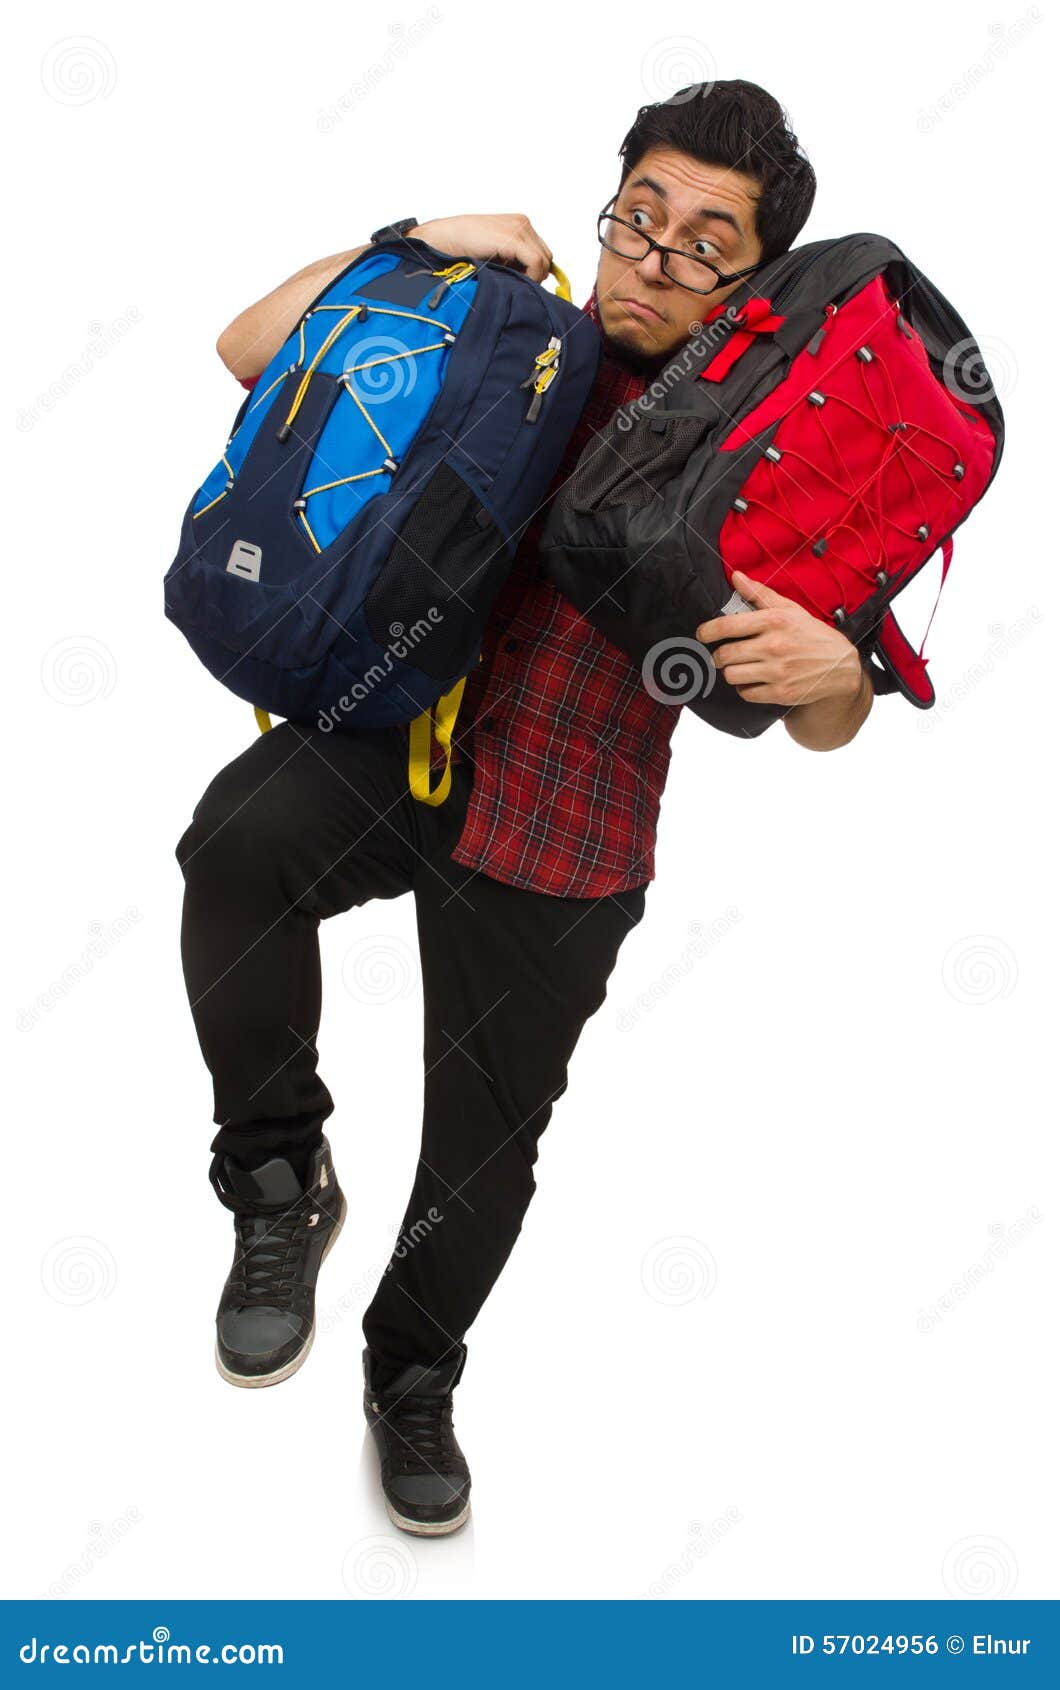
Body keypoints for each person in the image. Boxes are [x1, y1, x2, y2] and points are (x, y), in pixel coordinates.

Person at [175, 80, 875, 1538]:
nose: (657, 259)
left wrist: (841, 663)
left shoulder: (772, 440)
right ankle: (277, 1173)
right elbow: (249, 350)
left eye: (706, 243)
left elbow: (820, 719)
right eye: (642, 217)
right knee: (237, 843)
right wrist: (402, 242)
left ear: (754, 281)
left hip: (569, 827)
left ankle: (411, 1364)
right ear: (607, 209)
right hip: (400, 738)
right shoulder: (504, 332)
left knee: (480, 1159)